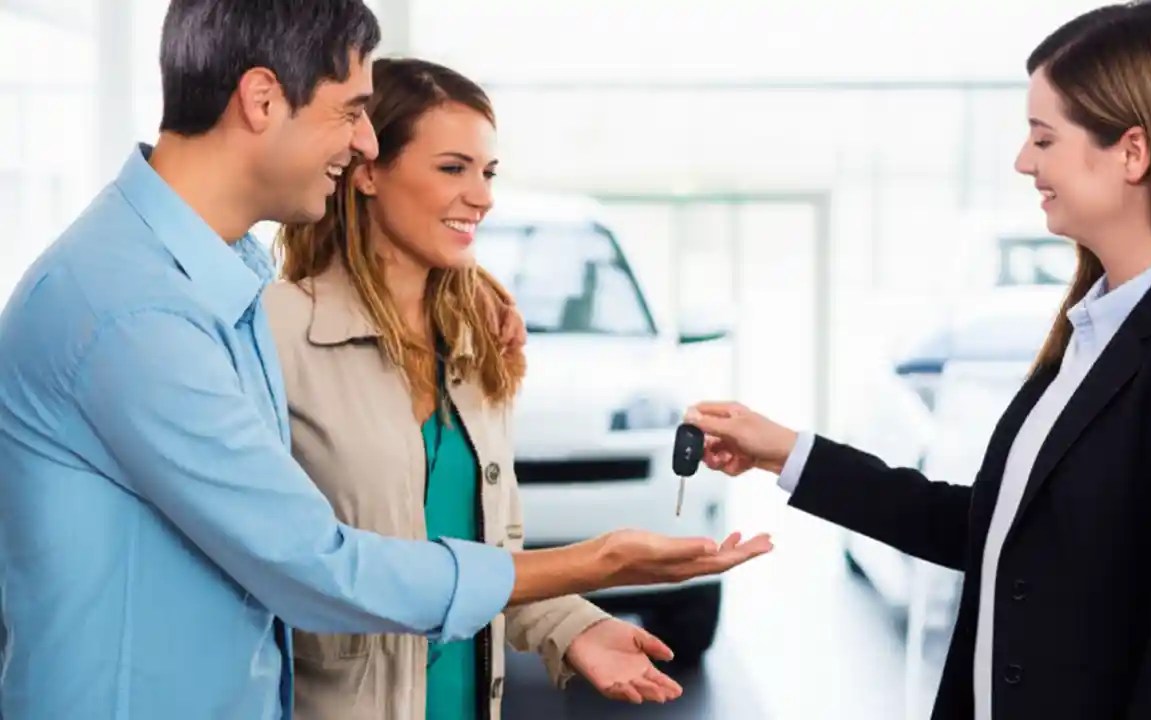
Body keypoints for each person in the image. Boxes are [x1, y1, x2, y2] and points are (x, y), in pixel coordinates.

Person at [0, 2, 770, 719]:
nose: (364, 140)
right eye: (352, 112)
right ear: (262, 100)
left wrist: (563, 619)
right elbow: (315, 567)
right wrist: (598, 561)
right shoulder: (139, 309)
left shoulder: (212, 278)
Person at [684, 3, 1151, 719]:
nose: (1024, 162)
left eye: (1043, 138)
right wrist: (786, 451)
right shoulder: (1092, 326)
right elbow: (994, 532)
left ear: (1132, 151)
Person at [267, 58, 696, 720]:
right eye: (453, 168)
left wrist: (572, 626)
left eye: (487, 172)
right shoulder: (277, 330)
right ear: (369, 169)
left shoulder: (479, 345)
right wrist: (601, 561)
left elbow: (496, 558)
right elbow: (281, 564)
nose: (483, 196)